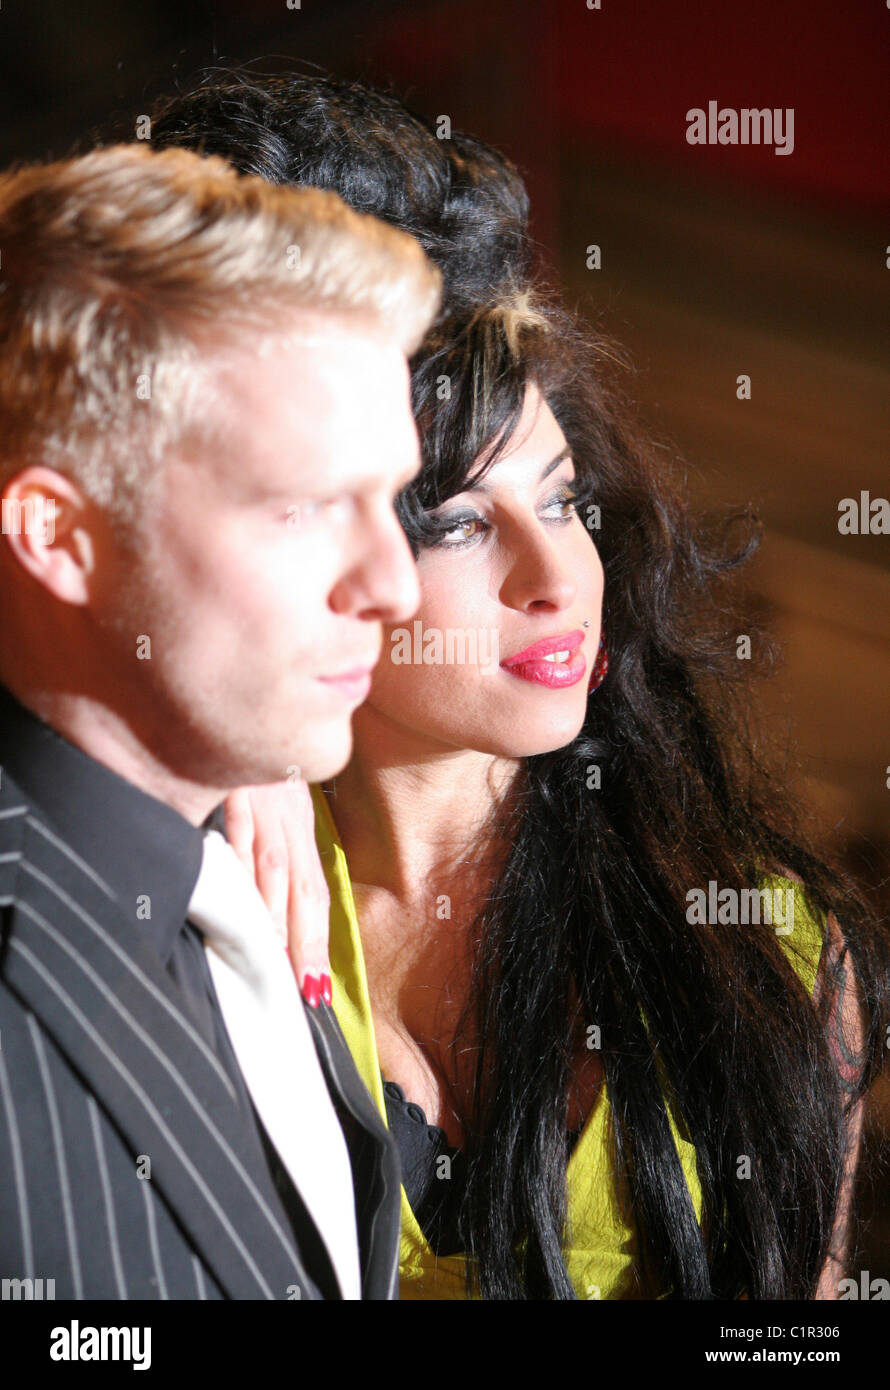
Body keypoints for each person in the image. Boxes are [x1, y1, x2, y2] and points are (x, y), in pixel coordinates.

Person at [146, 74, 889, 1299]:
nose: (558, 576)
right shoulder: (182, 902)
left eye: (557, 500)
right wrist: (229, 756)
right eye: (452, 525)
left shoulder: (762, 955)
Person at [0, 142, 441, 1300]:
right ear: (58, 536)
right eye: (301, 506)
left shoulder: (225, 859)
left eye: (389, 499)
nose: (393, 583)